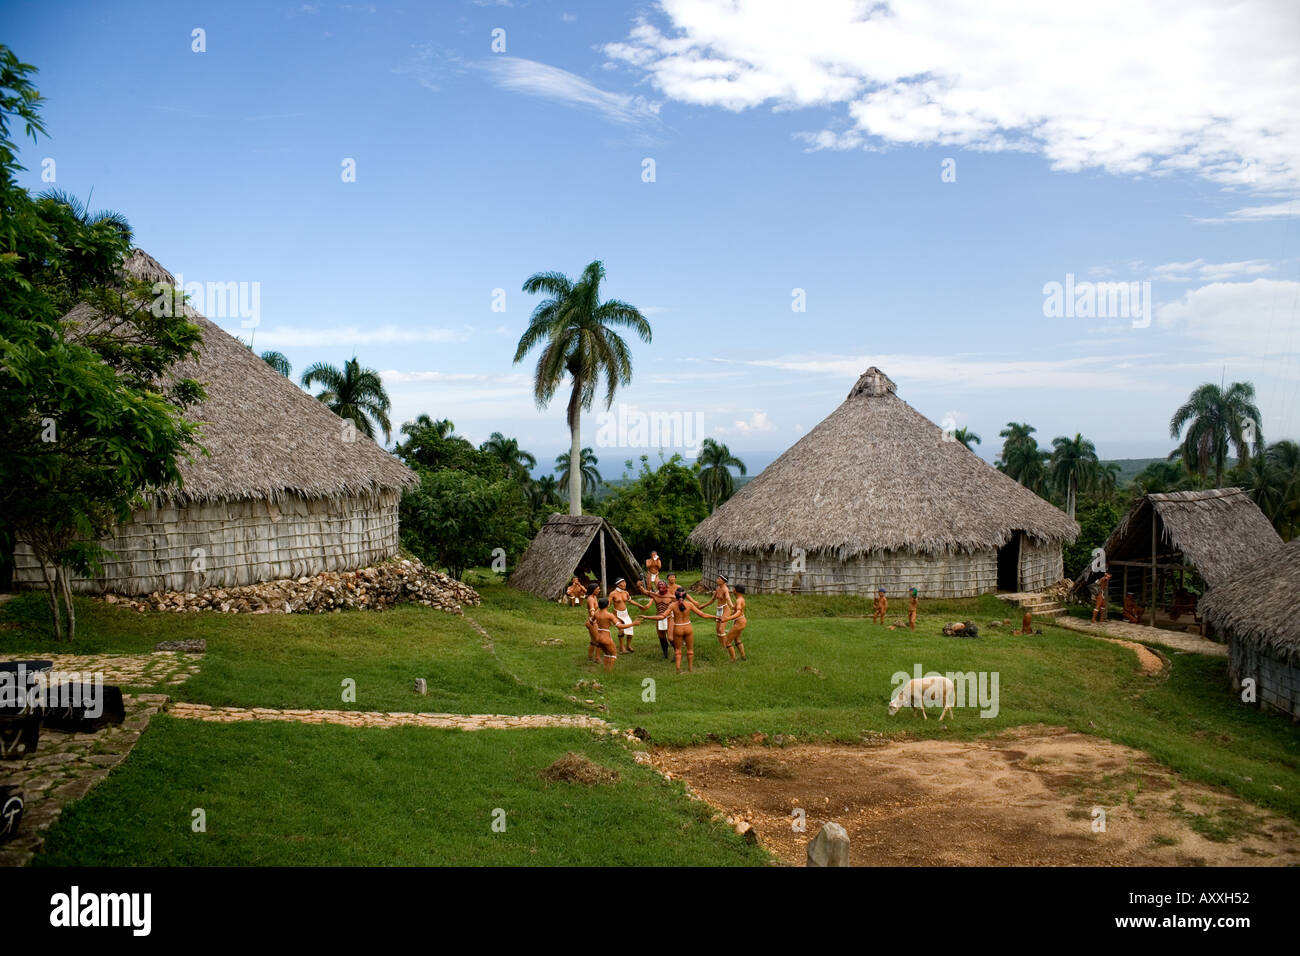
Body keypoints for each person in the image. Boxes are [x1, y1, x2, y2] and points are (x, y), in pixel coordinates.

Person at [637, 588, 713, 674]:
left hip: (678, 628)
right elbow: (702, 615)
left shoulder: (672, 605)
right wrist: (715, 617)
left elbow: (661, 617)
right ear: (685, 596)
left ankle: (678, 670)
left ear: (675, 596)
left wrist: (647, 617)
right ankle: (690, 669)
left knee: (678, 650)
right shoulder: (689, 604)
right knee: (690, 650)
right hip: (688, 628)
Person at [636, 579, 676, 658]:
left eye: (662, 584)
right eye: (659, 584)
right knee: (661, 637)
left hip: (669, 617)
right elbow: (645, 592)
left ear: (666, 587)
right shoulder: (655, 595)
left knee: (670, 637)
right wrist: (639, 586)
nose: (661, 586)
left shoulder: (671, 597)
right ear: (657, 587)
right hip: (658, 618)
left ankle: (677, 652)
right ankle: (665, 654)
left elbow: (680, 603)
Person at [609, 578, 646, 654]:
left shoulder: (626, 592)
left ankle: (628, 646)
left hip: (625, 614)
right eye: (623, 582)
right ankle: (622, 648)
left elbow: (630, 600)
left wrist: (639, 605)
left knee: (630, 630)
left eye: (625, 582)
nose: (625, 584)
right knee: (621, 630)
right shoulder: (613, 594)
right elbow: (608, 604)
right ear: (618, 584)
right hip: (617, 614)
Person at [696, 574, 733, 645]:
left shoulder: (725, 589)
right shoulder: (718, 588)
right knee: (717, 630)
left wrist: (732, 606)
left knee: (721, 629)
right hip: (719, 609)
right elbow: (712, 600)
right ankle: (722, 646)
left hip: (725, 609)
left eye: (719, 579)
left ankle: (728, 646)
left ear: (724, 581)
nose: (717, 580)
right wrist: (703, 606)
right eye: (717, 578)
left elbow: (728, 598)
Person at [589, 599, 622, 672]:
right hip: (605, 637)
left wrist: (599, 626)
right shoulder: (609, 615)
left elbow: (591, 621)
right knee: (613, 654)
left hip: (598, 636)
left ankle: (605, 671)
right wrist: (633, 624)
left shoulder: (596, 613)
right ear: (608, 605)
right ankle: (609, 672)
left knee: (607, 654)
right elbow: (619, 626)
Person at [719, 584, 749, 661]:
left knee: (727, 641)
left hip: (739, 622)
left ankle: (733, 659)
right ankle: (743, 657)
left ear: (736, 591)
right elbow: (735, 610)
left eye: (734, 589)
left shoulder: (739, 600)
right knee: (737, 639)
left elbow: (738, 612)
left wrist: (728, 618)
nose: (732, 590)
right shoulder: (741, 599)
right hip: (741, 621)